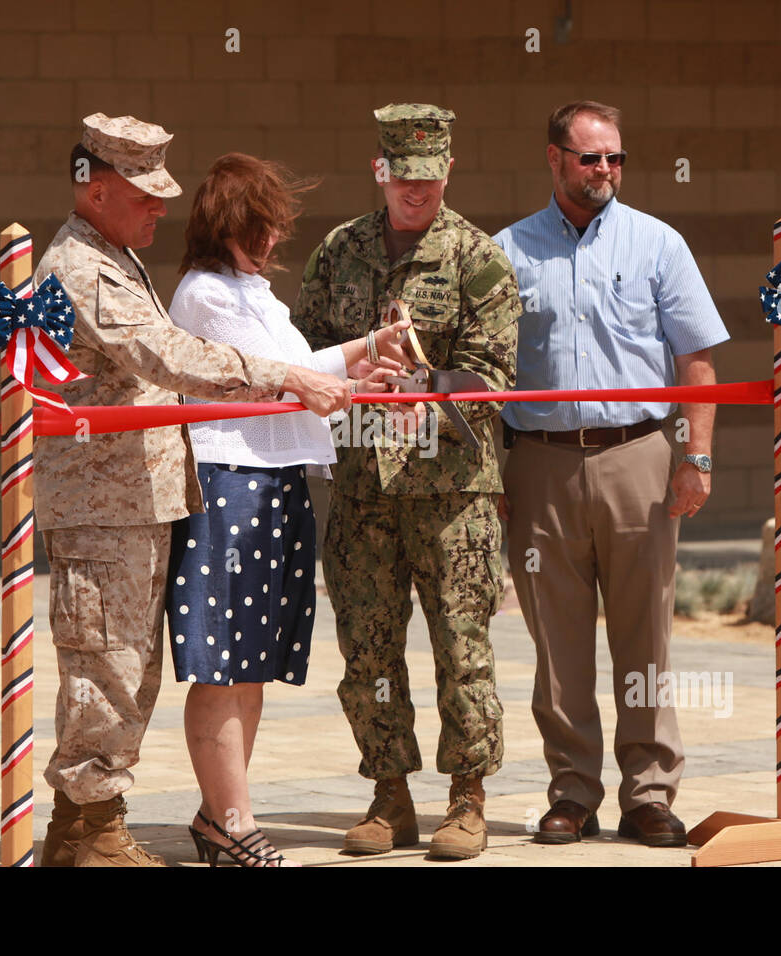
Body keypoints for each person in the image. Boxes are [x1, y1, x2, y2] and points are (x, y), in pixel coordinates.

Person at [33, 113, 351, 868]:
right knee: (104, 665)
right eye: (142, 192)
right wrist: (281, 376)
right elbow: (164, 352)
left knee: (127, 669)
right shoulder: (79, 265)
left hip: (133, 503)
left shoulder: (112, 255)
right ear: (95, 187)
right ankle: (86, 831)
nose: (160, 207)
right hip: (101, 506)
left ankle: (96, 825)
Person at [493, 101, 729, 848]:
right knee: (556, 644)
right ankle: (571, 792)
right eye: (591, 157)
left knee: (645, 637)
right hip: (541, 465)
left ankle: (649, 793)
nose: (606, 171)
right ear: (555, 158)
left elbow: (697, 361)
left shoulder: (659, 243)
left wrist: (696, 457)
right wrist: (496, 473)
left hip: (640, 459)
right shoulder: (506, 251)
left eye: (616, 158)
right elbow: (490, 370)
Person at [166, 152, 411, 867]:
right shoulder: (207, 294)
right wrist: (341, 377)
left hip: (275, 482)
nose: (275, 240)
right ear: (227, 225)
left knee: (252, 663)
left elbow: (300, 369)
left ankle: (225, 818)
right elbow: (279, 380)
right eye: (261, 226)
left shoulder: (257, 295)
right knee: (223, 663)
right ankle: (231, 820)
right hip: (230, 483)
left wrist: (369, 350)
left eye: (275, 227)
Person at [293, 104, 520, 860]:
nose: (416, 192)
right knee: (369, 651)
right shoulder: (338, 252)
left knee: (463, 649)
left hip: (451, 495)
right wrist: (357, 367)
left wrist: (426, 382)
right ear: (379, 170)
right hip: (364, 490)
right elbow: (307, 350)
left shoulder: (477, 258)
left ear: (448, 172)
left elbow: (495, 379)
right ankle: (390, 795)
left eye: (430, 178)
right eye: (404, 177)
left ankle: (467, 799)